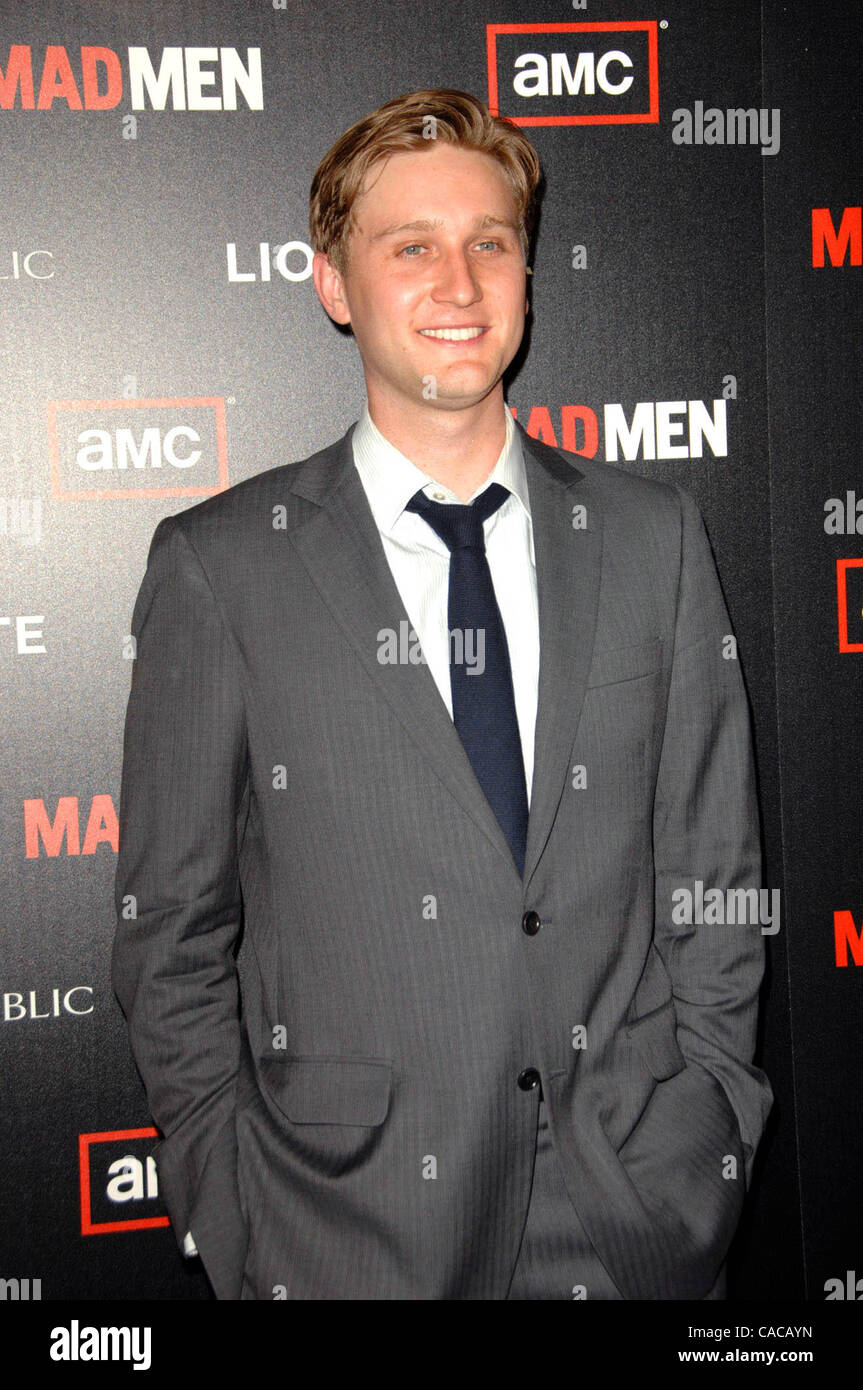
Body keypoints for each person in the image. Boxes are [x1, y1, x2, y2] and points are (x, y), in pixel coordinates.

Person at [112, 88, 773, 1300]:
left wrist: (708, 1127)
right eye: (408, 245)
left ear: (526, 268)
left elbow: (714, 878)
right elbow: (172, 936)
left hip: (634, 1219)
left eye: (491, 241)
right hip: (346, 1235)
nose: (458, 282)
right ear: (331, 282)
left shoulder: (651, 539)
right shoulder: (223, 565)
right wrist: (234, 1200)